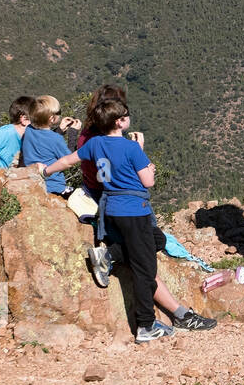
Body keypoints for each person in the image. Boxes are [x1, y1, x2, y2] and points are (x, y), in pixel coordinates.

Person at [39, 99, 215, 341]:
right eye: (126, 115)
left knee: (157, 238)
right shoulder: (131, 149)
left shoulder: (95, 144)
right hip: (134, 211)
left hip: (110, 208)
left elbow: (69, 161)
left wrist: (45, 171)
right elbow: (148, 182)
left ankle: (110, 255)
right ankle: (146, 325)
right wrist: (143, 154)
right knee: (145, 269)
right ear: (120, 122)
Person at [20, 96, 74, 196]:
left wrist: (60, 130)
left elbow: (44, 139)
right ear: (51, 119)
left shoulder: (28, 130)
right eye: (58, 113)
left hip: (33, 182)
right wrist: (73, 133)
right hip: (54, 187)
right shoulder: (56, 139)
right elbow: (70, 160)